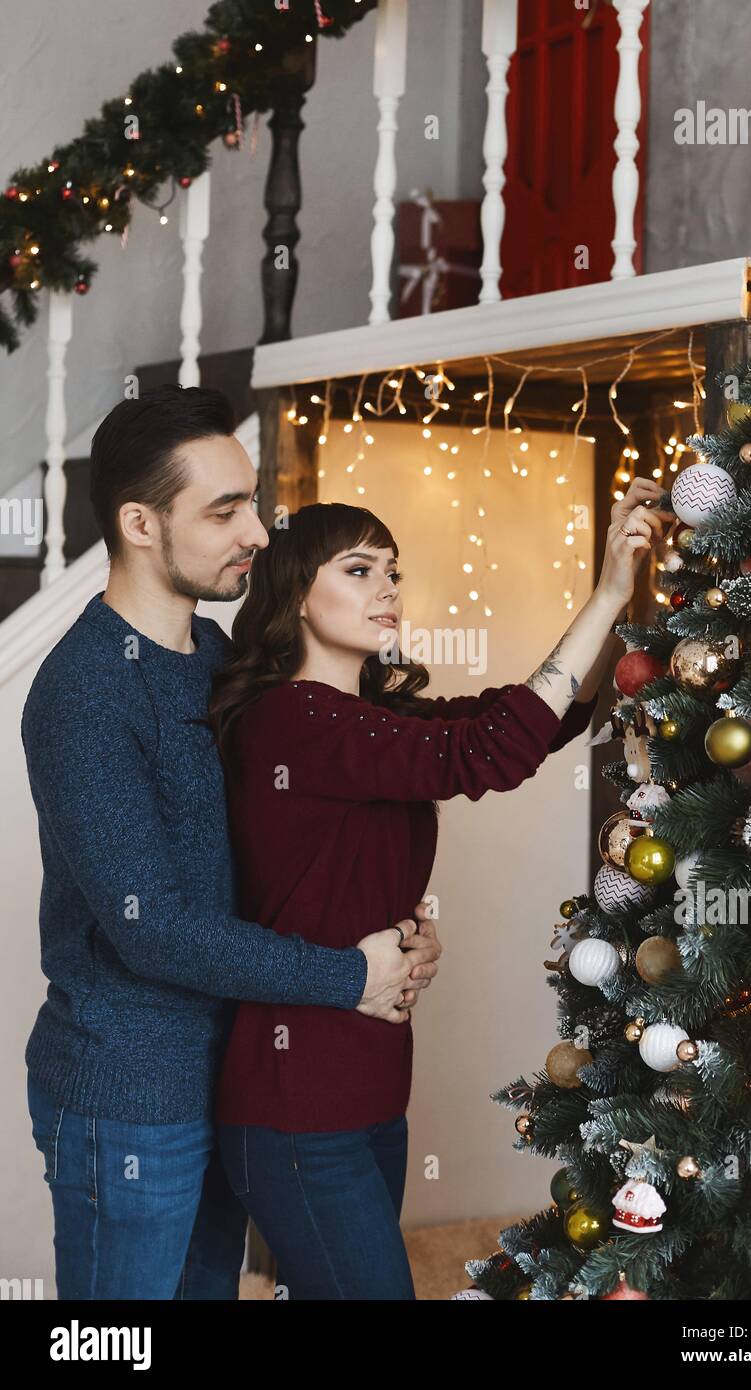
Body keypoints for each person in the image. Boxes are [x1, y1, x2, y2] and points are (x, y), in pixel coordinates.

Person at [21, 384, 442, 1300]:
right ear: (140, 522)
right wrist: (349, 974)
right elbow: (155, 929)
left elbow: (298, 840)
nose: (257, 532)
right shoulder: (85, 697)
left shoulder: (219, 657)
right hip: (129, 1098)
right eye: (224, 511)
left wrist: (401, 932)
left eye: (250, 502)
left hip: (238, 1074)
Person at [208, 477, 673, 1300]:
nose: (387, 585)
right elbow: (492, 751)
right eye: (358, 570)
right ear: (297, 597)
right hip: (293, 1102)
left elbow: (542, 715)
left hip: (369, 1086)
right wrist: (604, 591)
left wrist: (623, 582)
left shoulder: (371, 716)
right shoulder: (292, 719)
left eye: (392, 569)